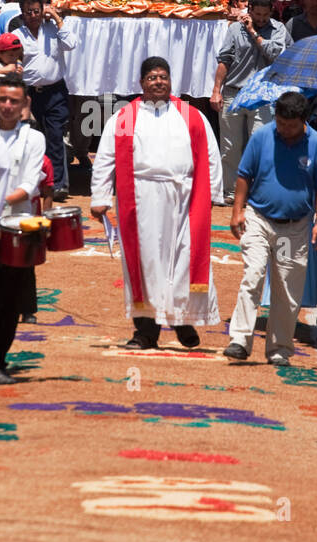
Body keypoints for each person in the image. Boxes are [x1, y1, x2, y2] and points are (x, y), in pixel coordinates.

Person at [91, 57, 223, 350]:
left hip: (184, 196)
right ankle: (146, 332)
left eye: (163, 76)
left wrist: (212, 194)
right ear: (141, 83)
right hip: (141, 198)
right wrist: (100, 196)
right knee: (146, 261)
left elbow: (211, 156)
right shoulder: (123, 118)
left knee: (183, 260)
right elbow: (105, 159)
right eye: (152, 78)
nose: (159, 82)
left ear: (170, 80)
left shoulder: (191, 116)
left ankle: (182, 320)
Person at [225, 91, 317, 366]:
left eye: (290, 125)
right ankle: (239, 339)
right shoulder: (263, 136)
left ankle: (279, 349)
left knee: (287, 287)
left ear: (304, 121)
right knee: (253, 274)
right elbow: (244, 175)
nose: (284, 129)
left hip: (294, 227)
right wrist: (237, 211)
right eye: (280, 123)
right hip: (260, 218)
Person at [0, 74, 47, 384]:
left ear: (24, 105)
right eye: (2, 99)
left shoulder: (34, 139)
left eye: (13, 101)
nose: (6, 106)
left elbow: (29, 186)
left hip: (15, 228)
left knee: (7, 297)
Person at [211, 0, 289, 203]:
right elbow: (224, 59)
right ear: (249, 10)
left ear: (271, 12)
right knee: (230, 147)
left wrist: (254, 32)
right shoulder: (235, 29)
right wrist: (216, 90)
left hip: (263, 95)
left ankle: (257, 191)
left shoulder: (278, 29)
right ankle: (230, 192)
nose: (261, 18)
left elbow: (274, 54)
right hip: (234, 93)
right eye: (257, 14)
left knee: (260, 144)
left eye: (265, 15)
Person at [8, 0, 76, 199]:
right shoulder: (17, 34)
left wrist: (55, 17)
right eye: (28, 11)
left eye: (37, 11)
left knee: (55, 136)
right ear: (22, 13)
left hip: (55, 91)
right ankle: (31, 181)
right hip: (29, 93)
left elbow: (71, 44)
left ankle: (58, 184)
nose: (33, 15)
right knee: (29, 136)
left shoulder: (54, 29)